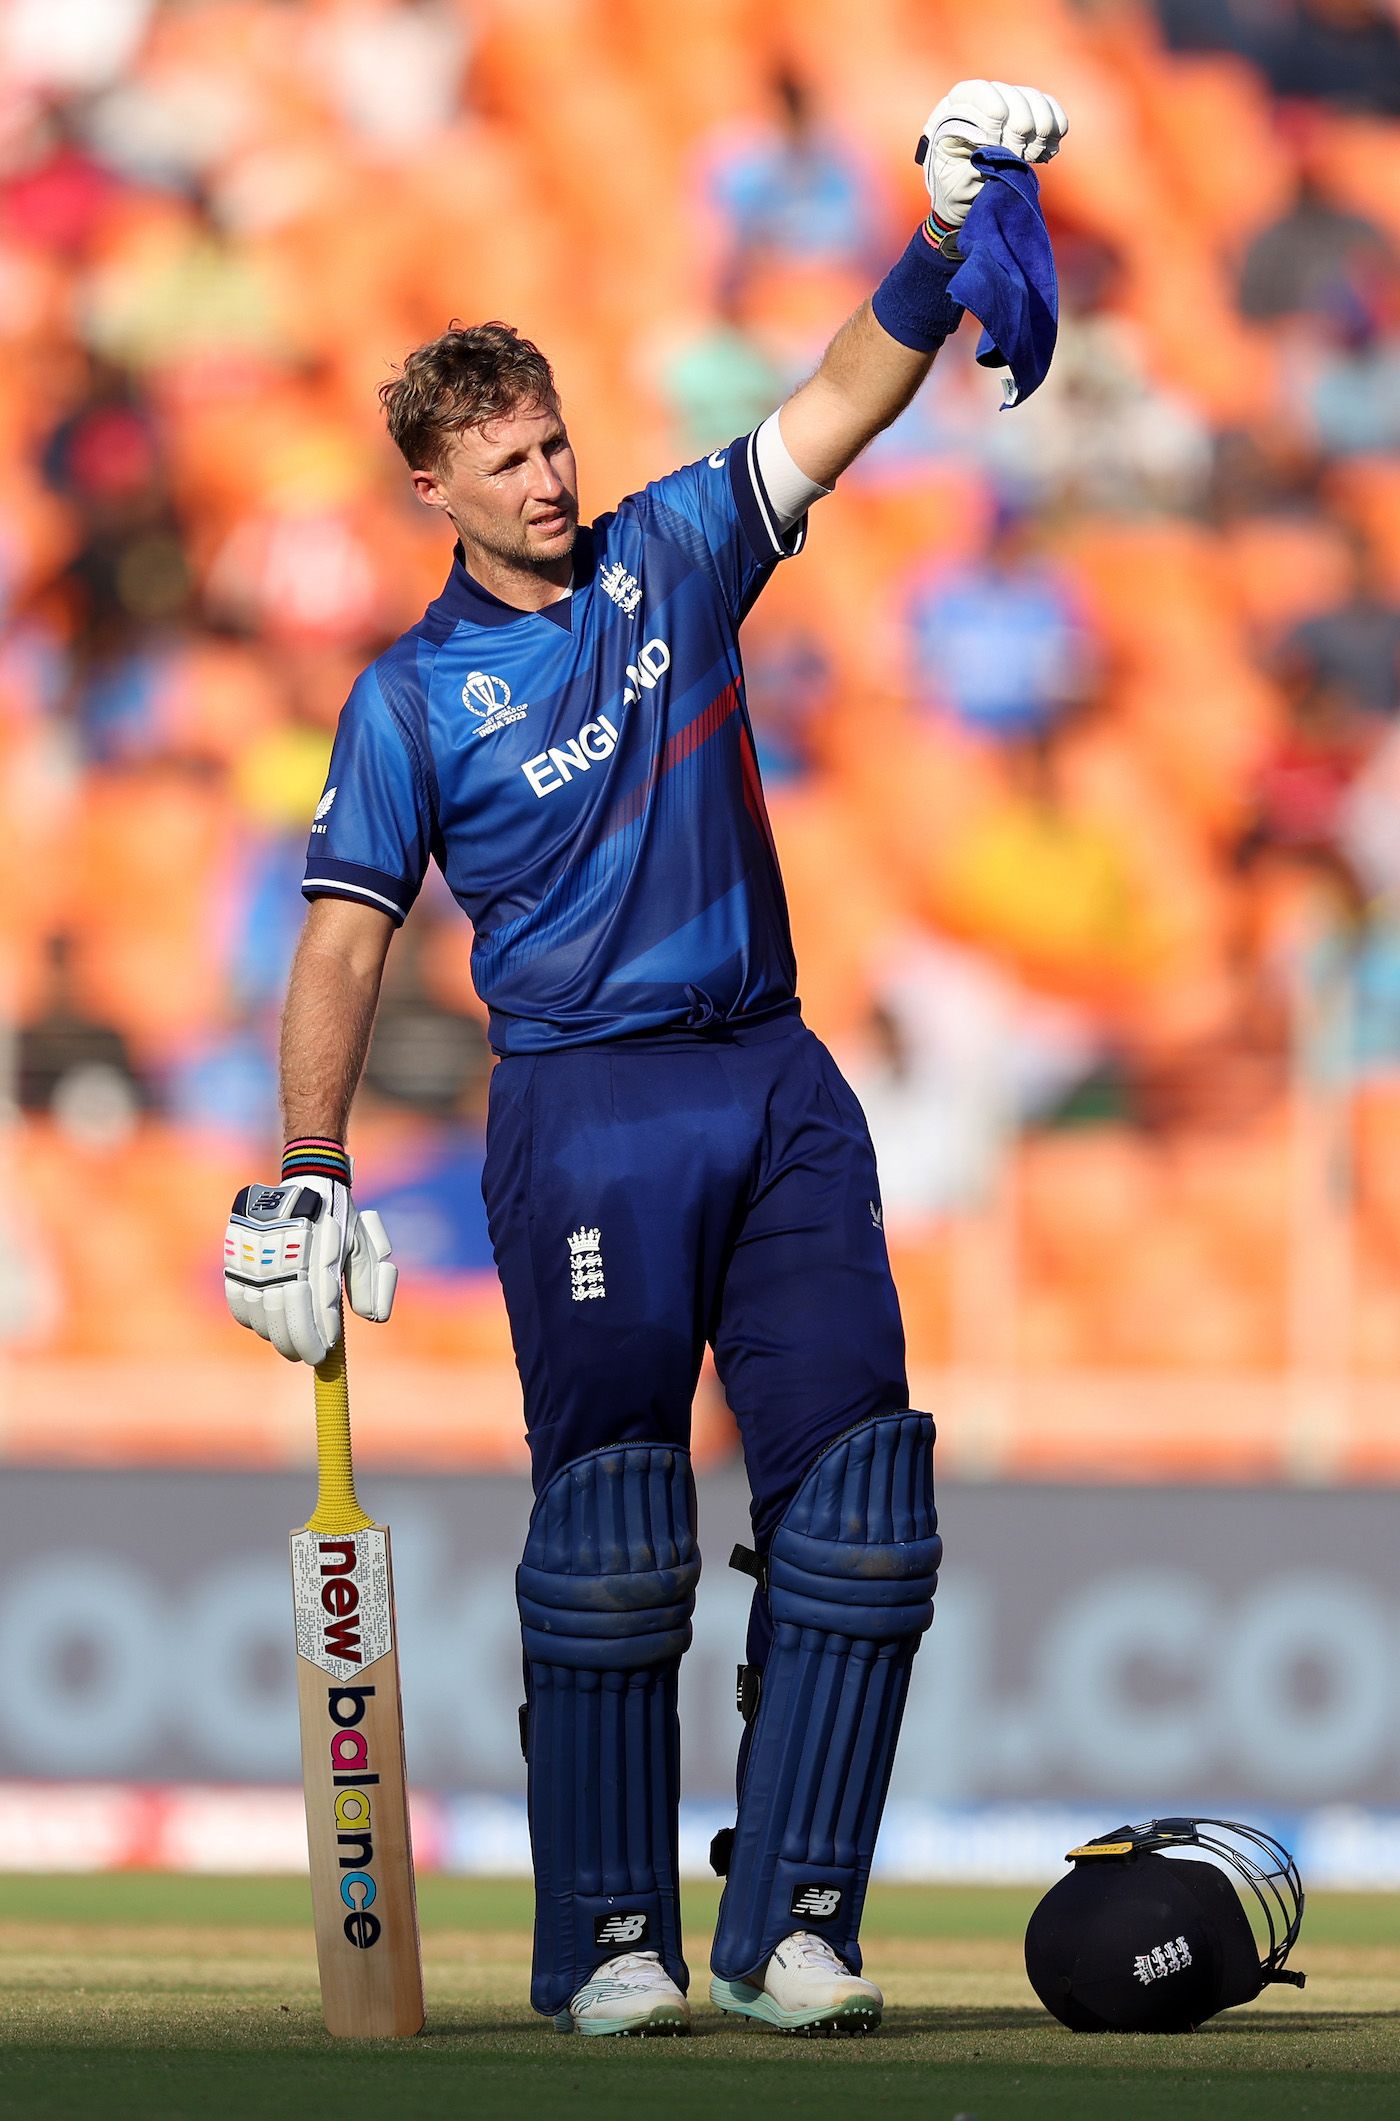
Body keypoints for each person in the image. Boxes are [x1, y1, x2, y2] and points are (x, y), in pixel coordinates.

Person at [223, 79, 1068, 2039]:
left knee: (864, 1504)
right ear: (431, 491)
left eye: (552, 439)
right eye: (503, 461)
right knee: (613, 1532)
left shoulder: (673, 551)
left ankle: (794, 1924)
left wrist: (944, 239)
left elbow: (839, 400)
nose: (547, 478)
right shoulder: (409, 700)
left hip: (774, 1083)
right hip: (586, 1109)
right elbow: (343, 932)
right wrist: (308, 1160)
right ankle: (609, 1935)